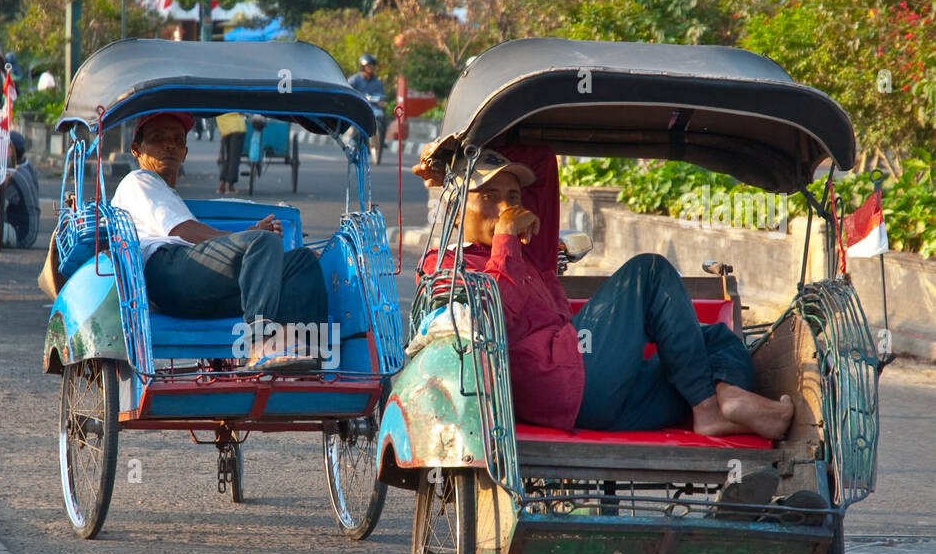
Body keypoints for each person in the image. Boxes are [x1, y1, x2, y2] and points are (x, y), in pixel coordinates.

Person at [415, 148, 794, 440]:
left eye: (513, 197)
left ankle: (725, 395)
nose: (505, 208)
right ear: (455, 206)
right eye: (488, 195)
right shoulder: (444, 264)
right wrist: (504, 239)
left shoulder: (524, 258)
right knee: (649, 271)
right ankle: (710, 408)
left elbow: (542, 162)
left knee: (715, 340)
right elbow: (489, 320)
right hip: (557, 385)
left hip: (601, 395)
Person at [111, 111, 327, 371]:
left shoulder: (170, 194)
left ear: (185, 152)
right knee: (265, 242)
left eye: (177, 140)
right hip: (167, 273)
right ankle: (260, 345)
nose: (169, 145)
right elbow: (182, 231)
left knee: (300, 262)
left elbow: (202, 239)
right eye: (158, 138)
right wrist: (252, 237)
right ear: (136, 150)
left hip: (202, 285)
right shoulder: (138, 181)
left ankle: (307, 353)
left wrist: (255, 241)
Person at [215, 113, 246, 193]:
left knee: (225, 157)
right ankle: (230, 186)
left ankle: (222, 184)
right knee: (234, 158)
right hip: (237, 127)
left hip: (224, 129)